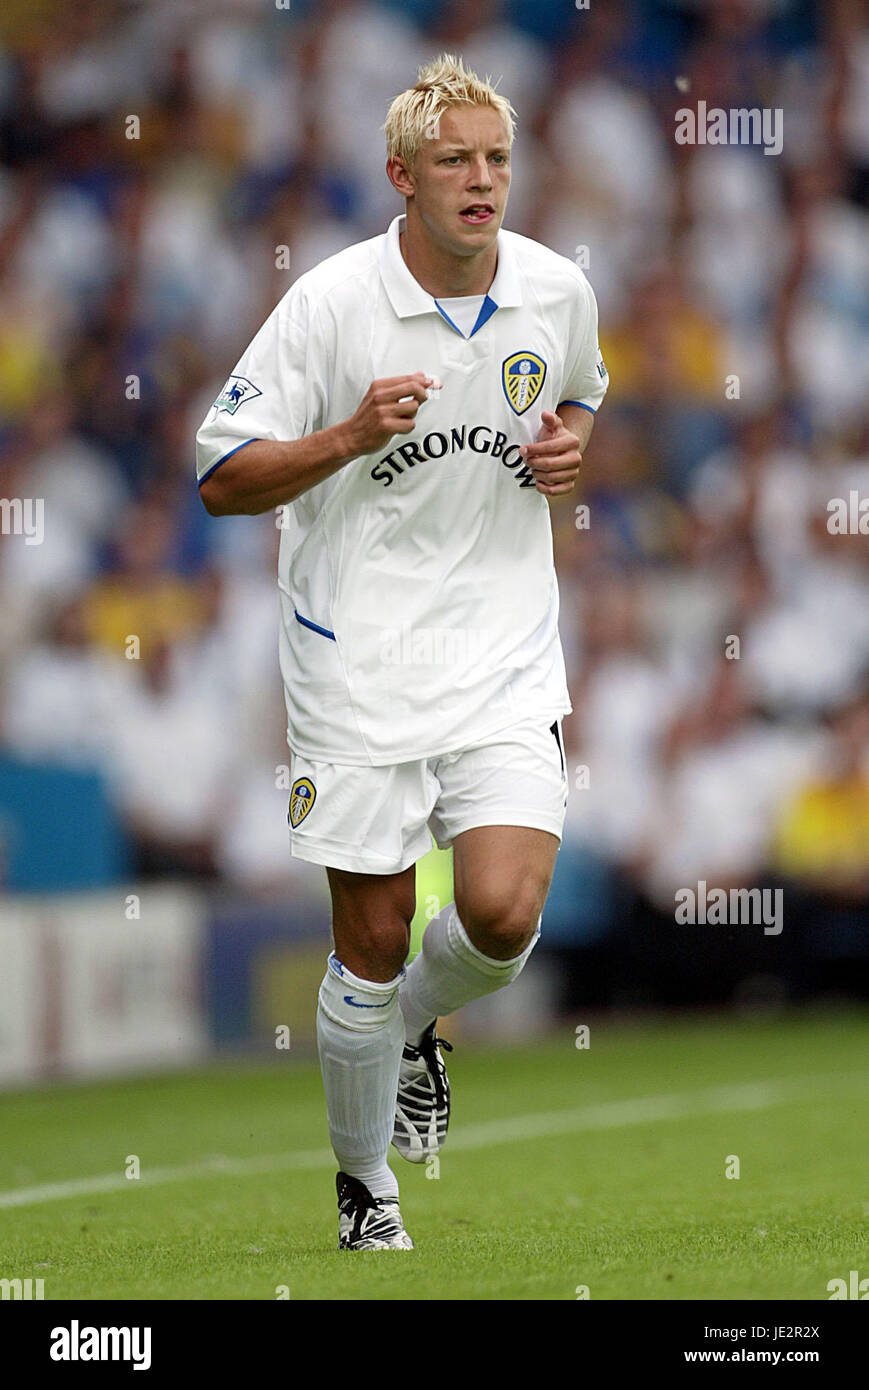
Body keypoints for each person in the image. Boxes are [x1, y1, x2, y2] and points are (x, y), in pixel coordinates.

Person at [196, 53, 608, 1250]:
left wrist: (569, 446)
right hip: (355, 662)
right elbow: (221, 477)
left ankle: (423, 1025)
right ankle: (363, 1184)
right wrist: (344, 433)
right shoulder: (328, 305)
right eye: (453, 163)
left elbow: (579, 392)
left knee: (501, 910)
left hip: (499, 649)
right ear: (400, 176)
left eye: (494, 159)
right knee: (368, 941)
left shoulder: (553, 290)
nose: (481, 182)